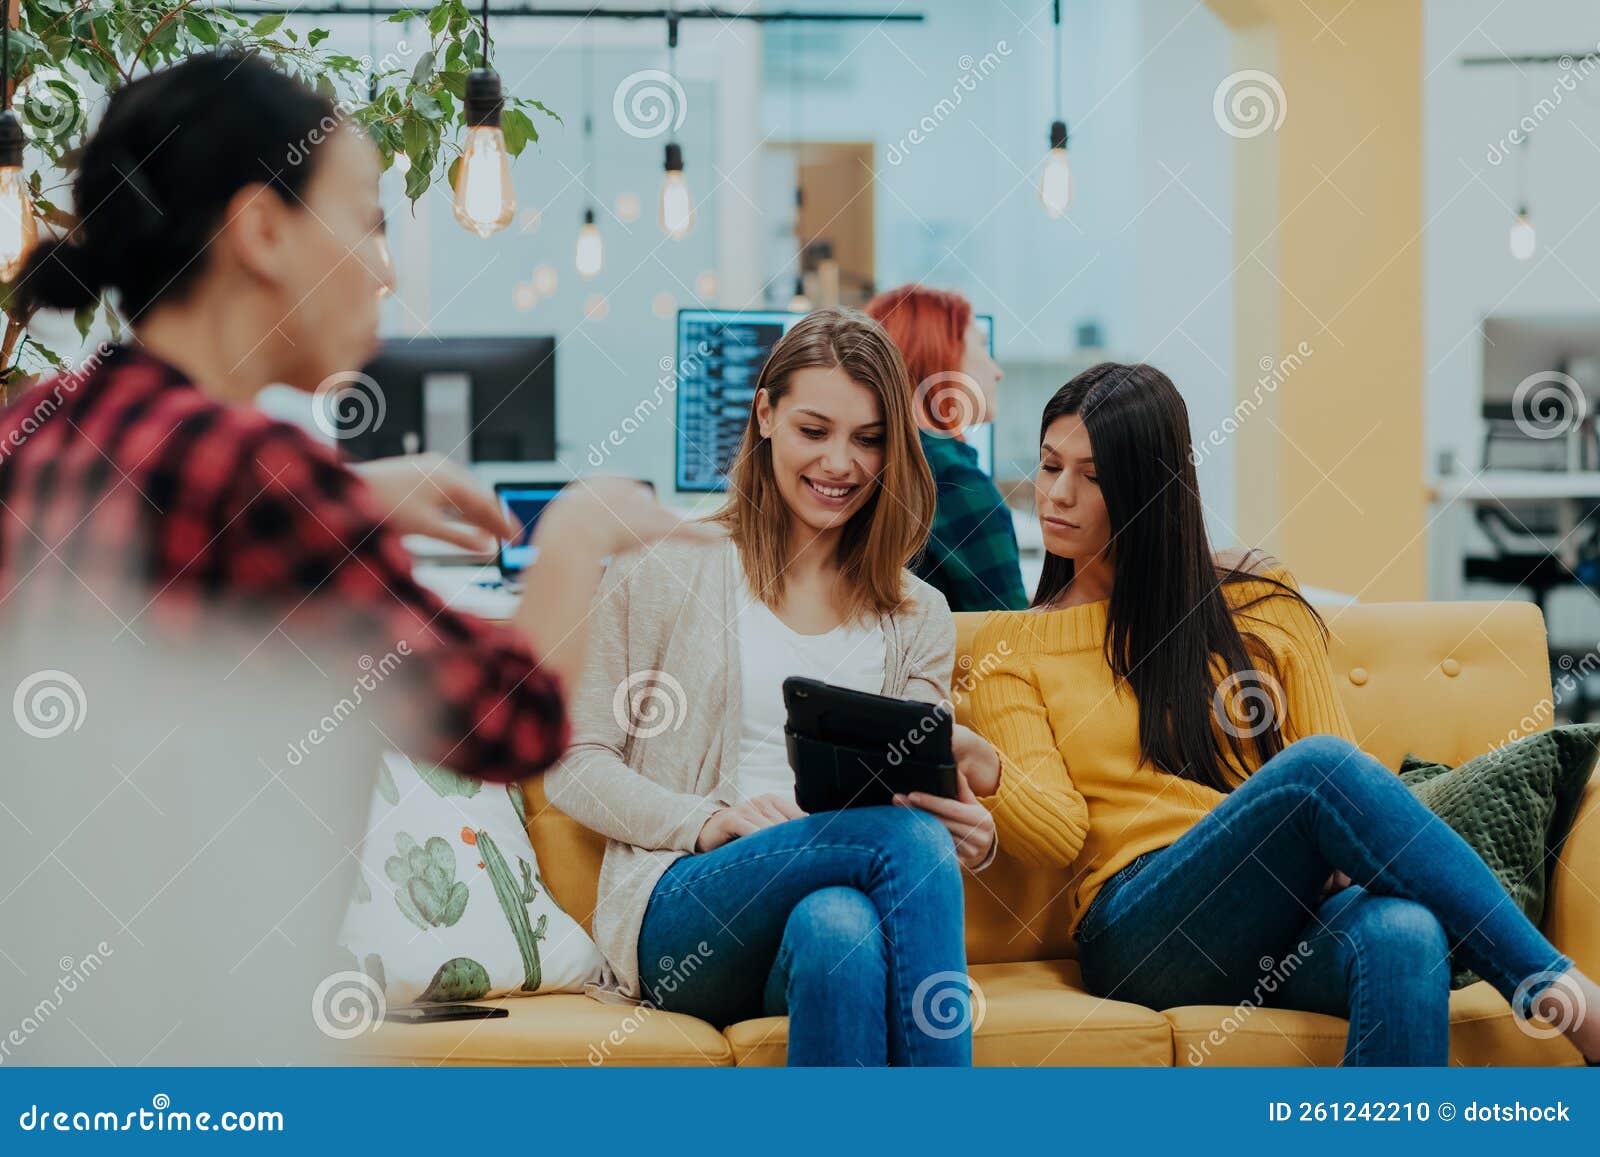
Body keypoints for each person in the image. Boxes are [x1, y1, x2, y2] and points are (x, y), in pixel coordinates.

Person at [0, 53, 702, 783]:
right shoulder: (256, 474)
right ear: (263, 231)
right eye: (368, 223)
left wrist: (348, 499)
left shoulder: (33, 429)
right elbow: (514, 723)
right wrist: (576, 532)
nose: (385, 272)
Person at [966, 362, 1600, 1066]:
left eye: (1091, 474)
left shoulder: (1255, 596)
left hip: (1282, 912)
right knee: (1317, 774)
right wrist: (983, 765)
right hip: (1141, 928)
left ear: (1151, 485)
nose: (1057, 493)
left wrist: (1307, 855)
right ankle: (1568, 999)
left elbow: (1333, 755)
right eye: (1051, 465)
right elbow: (1058, 834)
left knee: (1405, 930)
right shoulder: (1013, 647)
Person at [545, 308, 1001, 1066]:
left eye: (868, 438)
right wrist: (707, 819)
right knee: (904, 847)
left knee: (840, 933)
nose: (840, 463)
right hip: (690, 900)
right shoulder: (667, 564)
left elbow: (913, 792)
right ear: (765, 415)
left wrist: (969, 837)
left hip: (834, 898)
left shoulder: (919, 613)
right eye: (813, 430)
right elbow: (575, 760)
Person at [866, 284, 1026, 612]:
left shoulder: (873, 458)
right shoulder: (951, 477)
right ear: (941, 356)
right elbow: (1014, 637)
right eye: (982, 346)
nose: (997, 372)